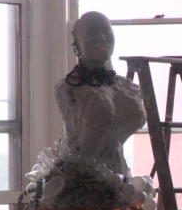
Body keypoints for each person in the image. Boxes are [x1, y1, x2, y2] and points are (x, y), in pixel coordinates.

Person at [55, 11, 146, 176]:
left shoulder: (126, 86)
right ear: (78, 42)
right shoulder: (68, 88)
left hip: (120, 178)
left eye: (107, 30)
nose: (102, 38)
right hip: (83, 180)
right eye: (92, 33)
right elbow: (77, 147)